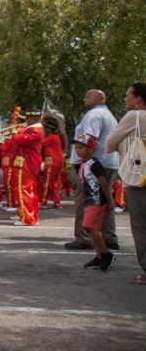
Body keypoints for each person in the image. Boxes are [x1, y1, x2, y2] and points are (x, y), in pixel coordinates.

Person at [65, 90, 119, 251]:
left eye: (88, 96)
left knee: (84, 200)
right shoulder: (109, 115)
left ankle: (84, 237)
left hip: (95, 163)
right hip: (109, 161)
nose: (84, 99)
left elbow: (89, 140)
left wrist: (85, 161)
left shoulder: (93, 115)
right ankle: (109, 237)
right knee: (105, 199)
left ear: (98, 98)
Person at [106, 82, 146, 285]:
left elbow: (110, 142)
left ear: (138, 98)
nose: (125, 99)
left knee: (140, 225)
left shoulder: (135, 116)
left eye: (128, 95)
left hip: (139, 178)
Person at [73, 134, 115, 270]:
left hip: (97, 200)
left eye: (81, 148)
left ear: (91, 149)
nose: (77, 150)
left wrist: (110, 201)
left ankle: (106, 254)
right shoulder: (84, 164)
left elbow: (104, 183)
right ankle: (100, 255)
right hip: (89, 201)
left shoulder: (94, 164)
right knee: (91, 228)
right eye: (76, 148)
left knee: (88, 226)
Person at [10, 111, 44, 226]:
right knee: (29, 190)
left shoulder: (35, 130)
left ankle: (27, 218)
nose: (26, 119)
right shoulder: (32, 129)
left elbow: (19, 140)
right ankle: (31, 215)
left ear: (35, 118)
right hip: (26, 162)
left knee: (23, 190)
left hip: (26, 162)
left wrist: (14, 132)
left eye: (29, 117)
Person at [40, 116, 65, 209]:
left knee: (47, 182)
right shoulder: (55, 137)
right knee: (55, 182)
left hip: (52, 161)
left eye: (45, 128)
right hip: (57, 161)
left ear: (50, 129)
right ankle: (56, 201)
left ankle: (43, 201)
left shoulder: (51, 137)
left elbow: (40, 143)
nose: (44, 129)